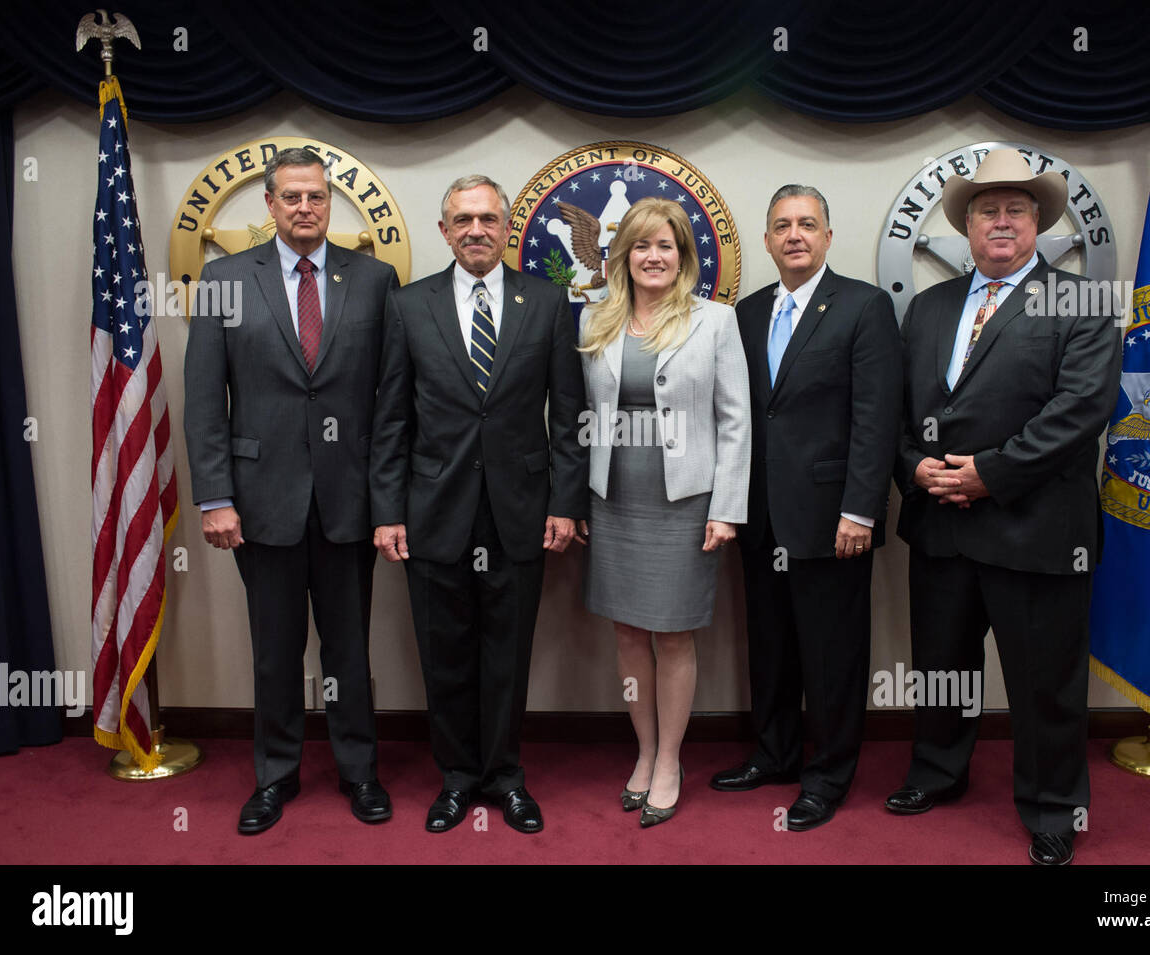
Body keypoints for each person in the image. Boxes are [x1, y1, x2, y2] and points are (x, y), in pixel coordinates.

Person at [887, 148, 1122, 865]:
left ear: (1038, 224)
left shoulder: (1079, 301)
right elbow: (895, 412)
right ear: (965, 226)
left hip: (1037, 529)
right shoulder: (927, 307)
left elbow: (1081, 412)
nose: (1000, 220)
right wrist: (913, 465)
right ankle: (938, 769)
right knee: (942, 666)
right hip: (941, 528)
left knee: (1045, 682)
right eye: (986, 209)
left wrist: (988, 474)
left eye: (1015, 209)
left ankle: (1053, 807)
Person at [184, 147, 397, 833]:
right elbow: (202, 401)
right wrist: (214, 496)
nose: (306, 207)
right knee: (274, 650)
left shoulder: (373, 279)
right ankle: (274, 775)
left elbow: (392, 401)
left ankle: (359, 771)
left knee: (349, 649)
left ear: (329, 202)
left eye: (317, 196)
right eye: (292, 197)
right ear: (269, 204)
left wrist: (387, 503)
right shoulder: (223, 278)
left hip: (348, 501)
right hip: (258, 501)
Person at [370, 174, 587, 835]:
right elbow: (391, 418)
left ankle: (505, 777)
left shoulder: (547, 301)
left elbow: (571, 413)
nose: (475, 230)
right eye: (462, 219)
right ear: (444, 230)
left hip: (520, 509)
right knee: (446, 654)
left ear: (507, 225)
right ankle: (457, 778)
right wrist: (387, 509)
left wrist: (565, 501)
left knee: (507, 654)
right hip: (433, 510)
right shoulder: (409, 306)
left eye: (488, 218)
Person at [710, 185, 902, 831]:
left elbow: (877, 419)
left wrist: (861, 509)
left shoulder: (864, 306)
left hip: (832, 519)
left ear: (826, 236)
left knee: (831, 656)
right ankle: (774, 754)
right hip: (761, 516)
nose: (795, 235)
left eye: (807, 224)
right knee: (770, 648)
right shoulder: (746, 311)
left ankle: (828, 775)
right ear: (766, 240)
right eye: (782, 225)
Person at [575, 198, 750, 827]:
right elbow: (576, 416)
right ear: (624, 254)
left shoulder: (715, 321)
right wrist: (577, 499)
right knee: (626, 635)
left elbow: (735, 421)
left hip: (684, 501)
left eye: (666, 246)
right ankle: (644, 752)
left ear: (683, 256)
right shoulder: (596, 319)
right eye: (642, 245)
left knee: (674, 635)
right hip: (613, 496)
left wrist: (727, 508)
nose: (654, 256)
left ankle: (671, 760)